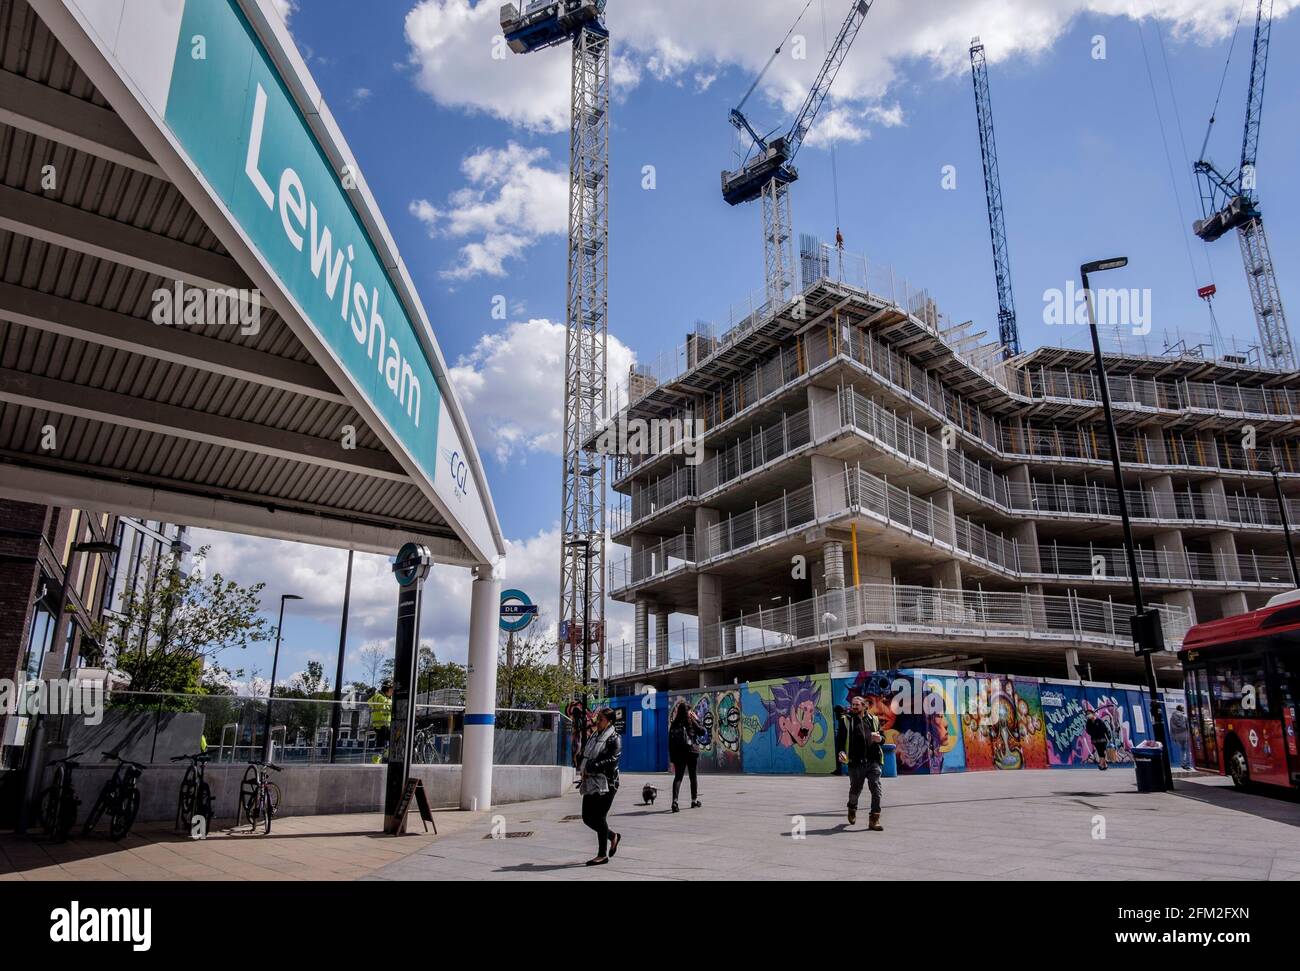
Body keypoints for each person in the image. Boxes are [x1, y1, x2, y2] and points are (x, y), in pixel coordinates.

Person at [578, 707, 622, 866]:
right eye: (597, 719)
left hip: (607, 783)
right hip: (590, 781)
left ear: (609, 722)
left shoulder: (614, 738)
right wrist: (583, 767)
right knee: (587, 817)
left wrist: (590, 768)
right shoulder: (594, 736)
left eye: (601, 720)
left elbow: (612, 760)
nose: (597, 722)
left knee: (599, 817)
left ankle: (602, 855)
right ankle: (612, 836)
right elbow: (585, 754)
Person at [835, 694, 884, 830]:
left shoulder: (873, 720)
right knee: (855, 790)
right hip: (856, 763)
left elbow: (883, 736)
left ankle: (874, 819)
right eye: (853, 704)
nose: (854, 707)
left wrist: (879, 739)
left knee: (876, 789)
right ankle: (852, 808)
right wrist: (841, 752)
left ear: (864, 706)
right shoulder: (847, 720)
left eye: (857, 704)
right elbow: (840, 740)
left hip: (873, 761)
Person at [667, 700, 704, 812]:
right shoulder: (691, 721)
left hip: (678, 754)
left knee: (678, 777)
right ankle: (694, 800)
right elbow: (702, 731)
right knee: (693, 777)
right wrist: (697, 718)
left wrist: (672, 758)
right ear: (688, 711)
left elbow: (670, 742)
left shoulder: (674, 723)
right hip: (691, 752)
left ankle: (675, 801)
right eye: (690, 710)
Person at [369, 680, 393, 764]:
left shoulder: (376, 696)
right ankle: (377, 761)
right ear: (387, 689)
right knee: (382, 743)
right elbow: (387, 703)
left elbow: (369, 702)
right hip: (383, 725)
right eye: (391, 689)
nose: (392, 692)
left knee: (384, 742)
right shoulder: (380, 697)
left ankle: (384, 758)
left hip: (379, 725)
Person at [1169, 703, 1192, 770]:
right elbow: (1187, 726)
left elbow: (1171, 728)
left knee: (1182, 750)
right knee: (1187, 750)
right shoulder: (1184, 716)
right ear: (1181, 709)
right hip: (1185, 734)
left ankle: (1182, 763)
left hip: (1177, 735)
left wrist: (1173, 737)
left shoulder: (1172, 717)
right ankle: (1187, 764)